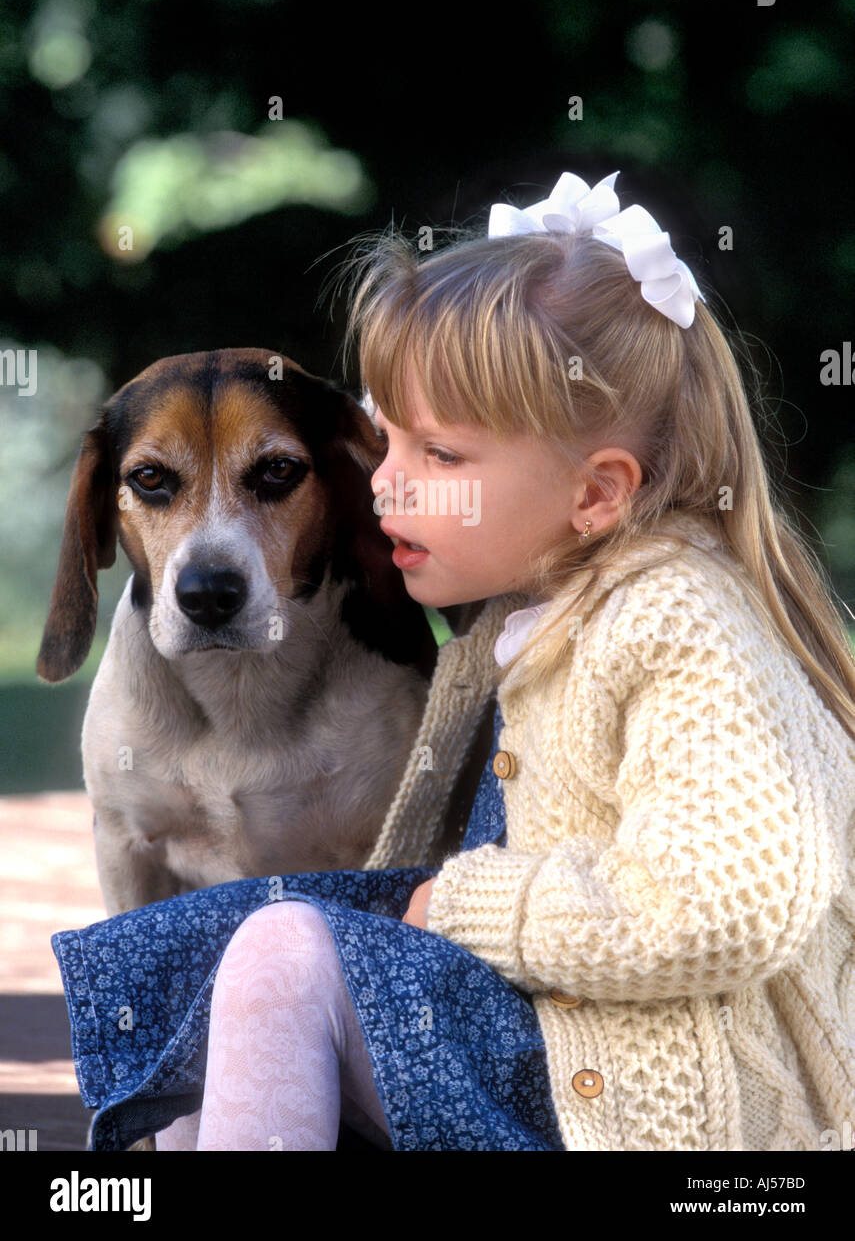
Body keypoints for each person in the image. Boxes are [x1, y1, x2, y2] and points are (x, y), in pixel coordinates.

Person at [52, 170, 855, 1152]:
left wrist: (468, 902)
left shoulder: (683, 629)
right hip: (570, 1060)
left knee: (280, 958)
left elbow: (714, 912)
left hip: (670, 1116)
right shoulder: (528, 618)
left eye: (437, 456)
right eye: (381, 439)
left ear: (597, 493)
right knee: (259, 979)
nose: (377, 485)